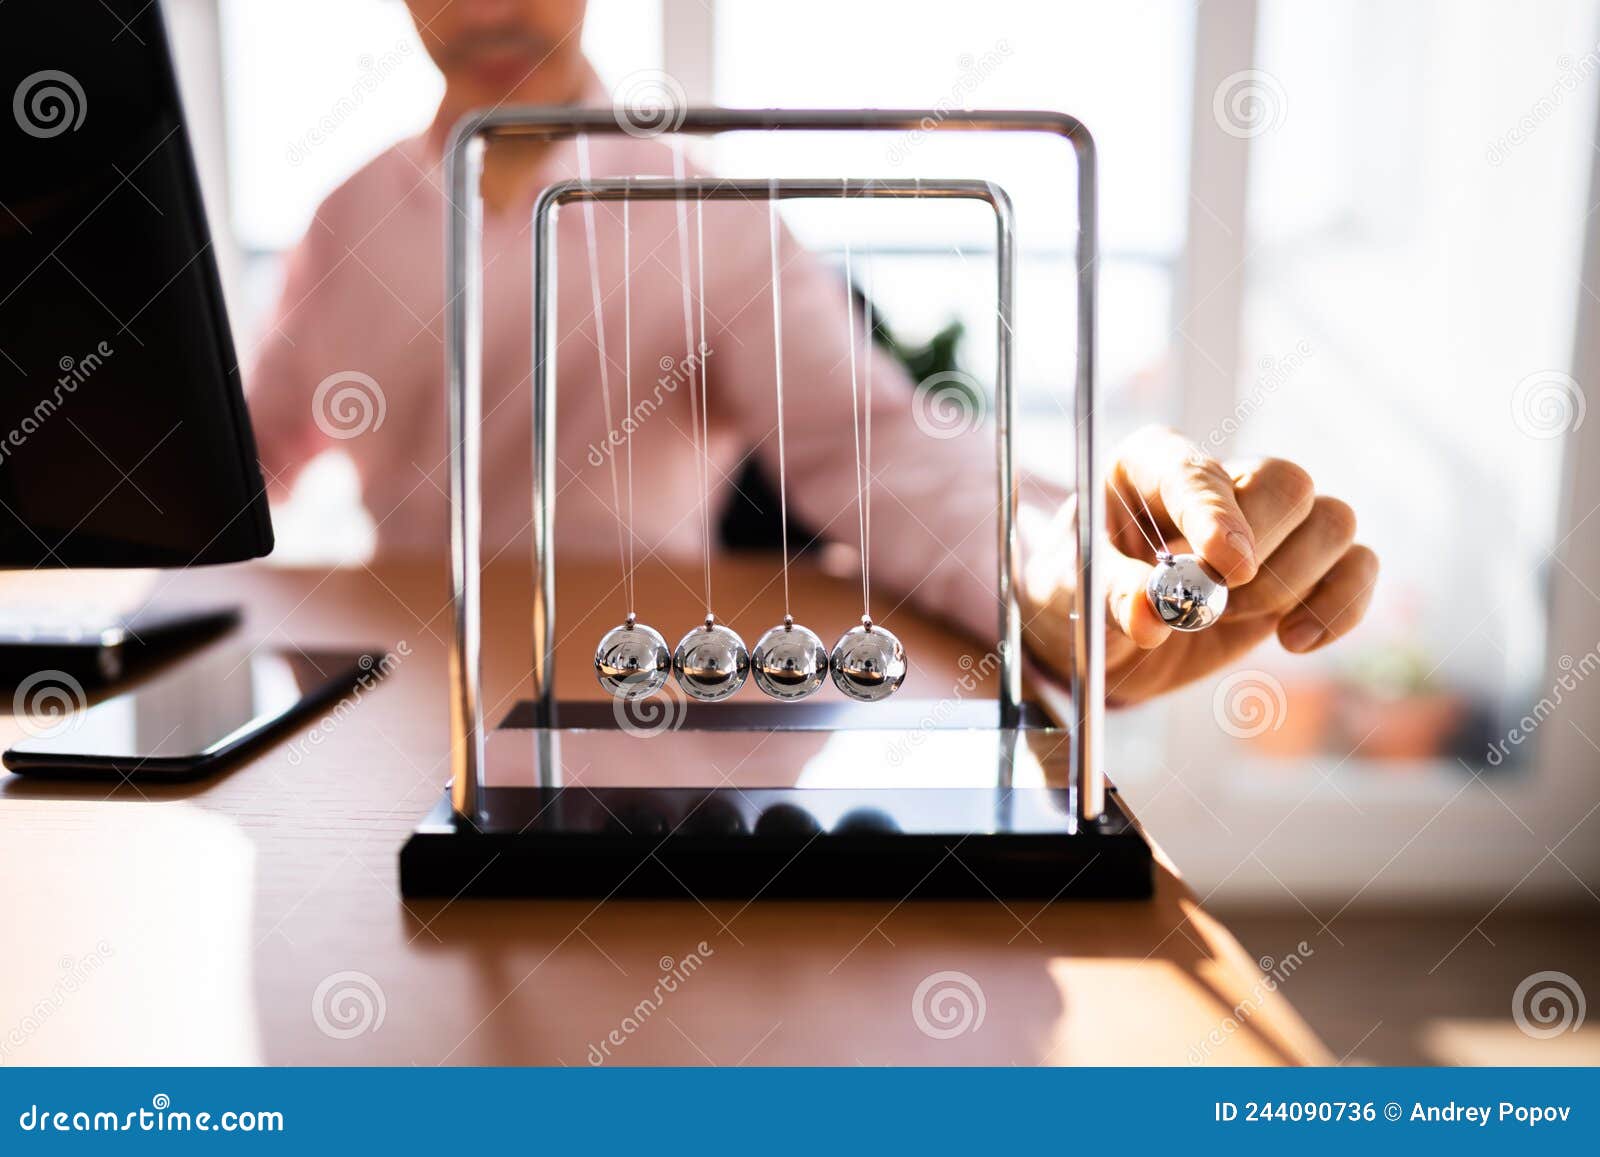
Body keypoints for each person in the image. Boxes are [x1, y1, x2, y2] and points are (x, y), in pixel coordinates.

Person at [245, 0, 1378, 704]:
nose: (491, 3)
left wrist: (1058, 572)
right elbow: (245, 457)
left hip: (620, 712)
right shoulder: (342, 222)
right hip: (388, 701)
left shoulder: (710, 214)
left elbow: (873, 446)